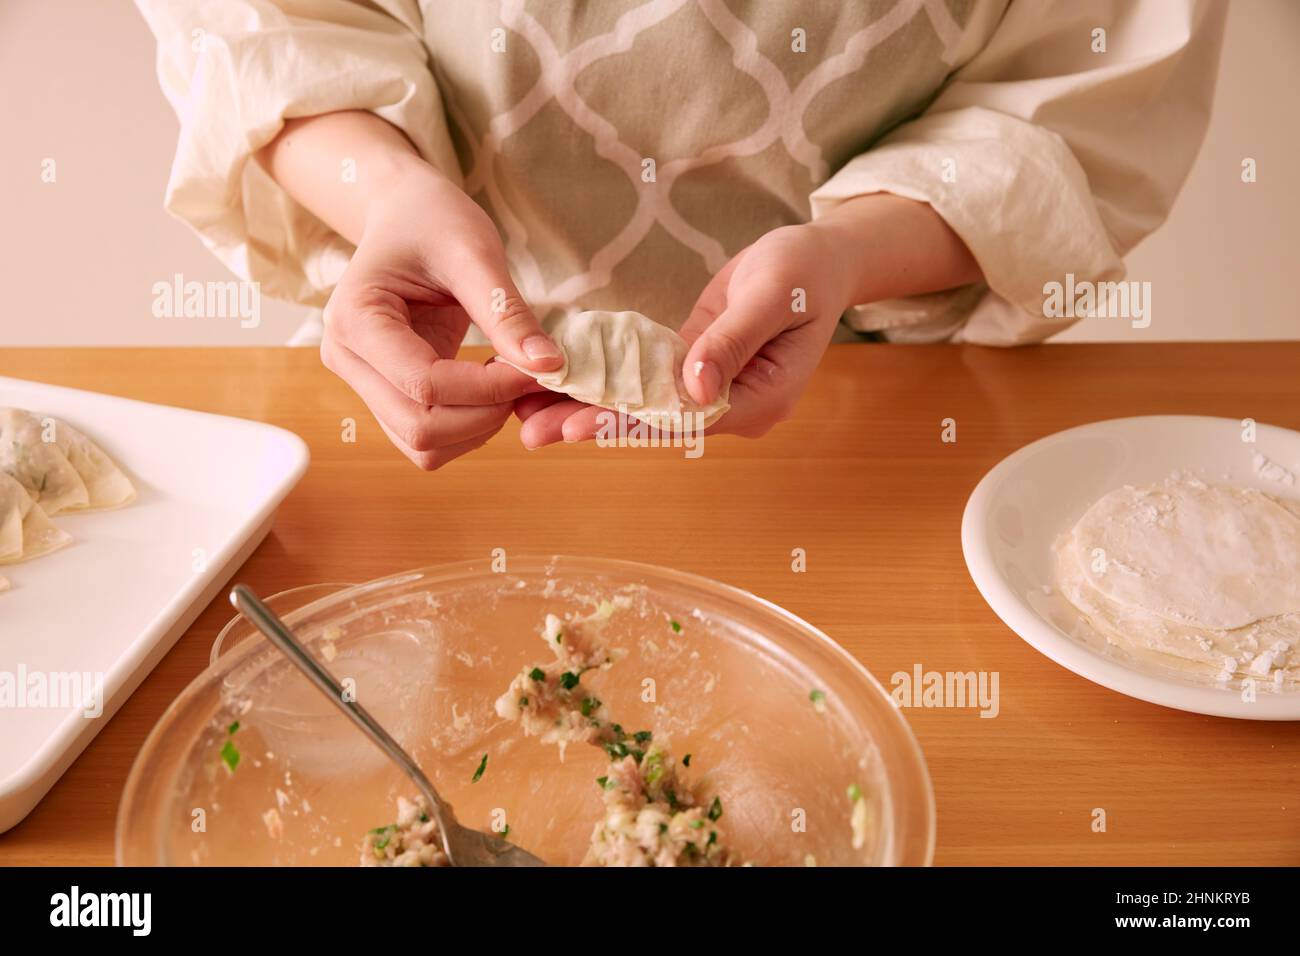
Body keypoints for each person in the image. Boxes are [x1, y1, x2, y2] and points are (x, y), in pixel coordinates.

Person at [136, 0, 1224, 469]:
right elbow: (258, 24)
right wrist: (386, 199)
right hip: (431, 373)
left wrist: (842, 255)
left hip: (871, 416)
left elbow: (1092, 86)